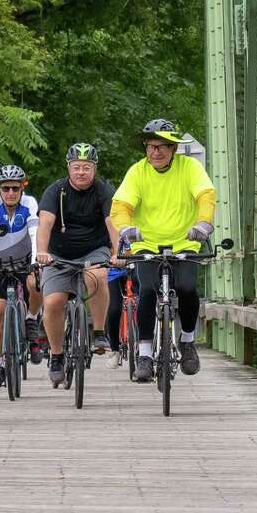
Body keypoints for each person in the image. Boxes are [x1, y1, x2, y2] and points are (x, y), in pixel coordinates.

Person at [111, 119, 216, 382]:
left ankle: (188, 341)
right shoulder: (137, 172)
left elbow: (205, 194)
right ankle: (144, 354)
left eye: (162, 147)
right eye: (150, 147)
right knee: (146, 289)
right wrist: (125, 229)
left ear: (174, 149)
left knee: (188, 288)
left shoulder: (189, 167)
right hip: (147, 243)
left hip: (185, 241)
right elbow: (121, 205)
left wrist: (203, 223)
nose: (155, 152)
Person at [35, 142, 120, 385]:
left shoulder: (104, 191)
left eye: (86, 167)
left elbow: (112, 223)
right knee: (53, 302)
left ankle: (99, 333)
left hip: (94, 250)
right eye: (76, 167)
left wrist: (118, 253)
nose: (81, 172)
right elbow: (45, 224)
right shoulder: (56, 191)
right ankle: (56, 355)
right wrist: (42, 251)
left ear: (94, 169)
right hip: (58, 254)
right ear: (68, 168)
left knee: (98, 276)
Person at [0, 164, 41, 388]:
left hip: (24, 259)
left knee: (36, 283)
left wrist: (35, 264)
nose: (11, 193)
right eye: (5, 189)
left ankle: (31, 319)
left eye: (15, 188)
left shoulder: (30, 203)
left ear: (22, 188)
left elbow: (35, 234)